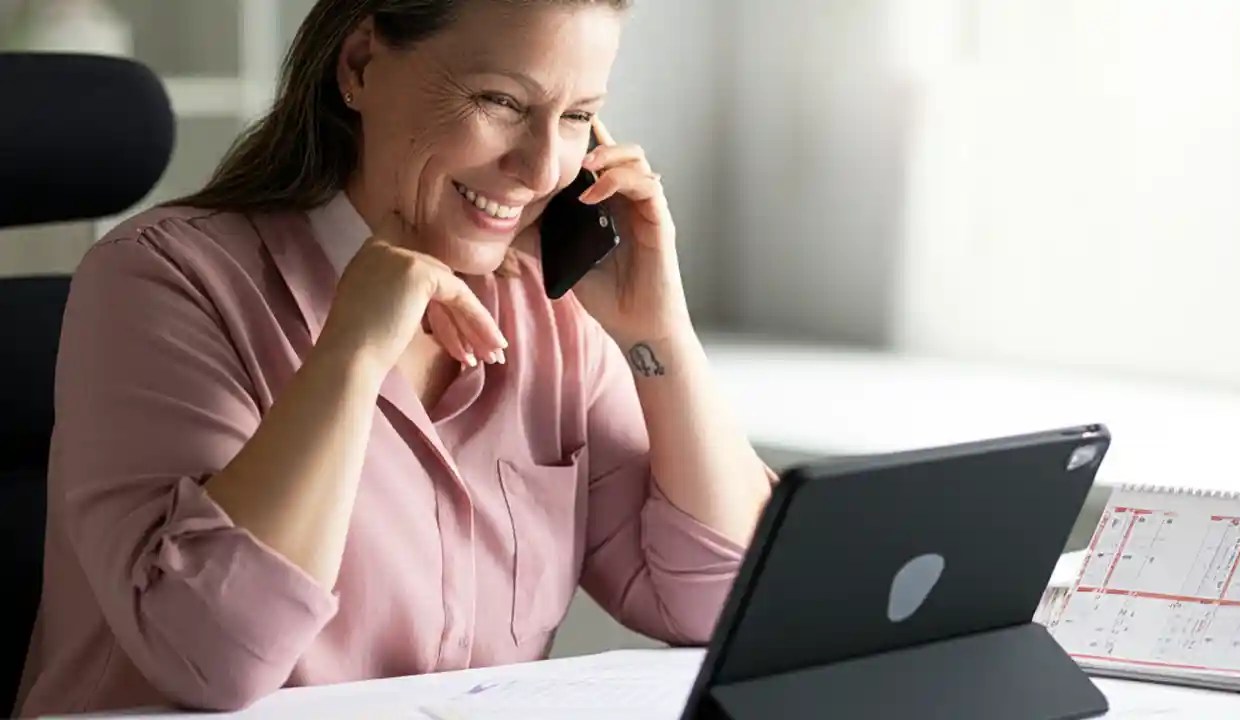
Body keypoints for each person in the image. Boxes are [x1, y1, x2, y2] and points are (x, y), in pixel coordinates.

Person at [15, 0, 776, 716]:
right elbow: (213, 655)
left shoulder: (551, 309)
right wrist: (352, 353)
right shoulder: (161, 279)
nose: (544, 167)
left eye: (576, 116)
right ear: (359, 66)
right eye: (501, 102)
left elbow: (722, 601)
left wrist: (659, 333)